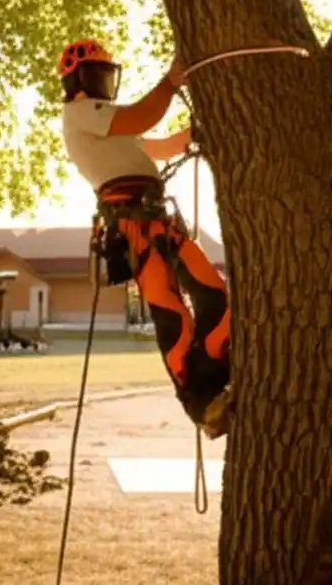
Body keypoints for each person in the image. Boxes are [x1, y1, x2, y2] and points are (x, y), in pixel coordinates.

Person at [57, 39, 233, 439]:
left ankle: (217, 374)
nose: (102, 83)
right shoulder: (81, 113)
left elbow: (162, 145)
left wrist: (201, 129)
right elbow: (141, 117)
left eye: (106, 75)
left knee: (215, 296)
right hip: (133, 227)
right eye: (94, 75)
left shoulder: (112, 128)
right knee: (172, 313)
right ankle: (199, 402)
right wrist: (172, 81)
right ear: (77, 82)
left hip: (160, 221)